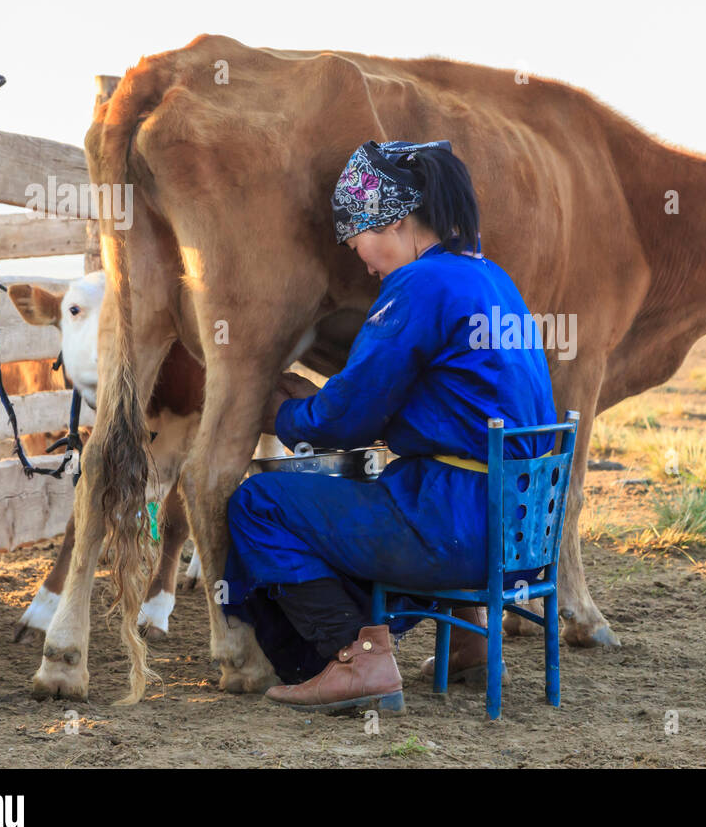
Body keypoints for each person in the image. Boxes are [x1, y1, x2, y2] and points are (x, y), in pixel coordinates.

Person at [223, 138, 557, 714]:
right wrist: (332, 405)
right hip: (521, 530)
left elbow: (347, 415)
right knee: (409, 477)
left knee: (260, 505)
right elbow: (451, 402)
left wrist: (283, 413)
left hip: (454, 525)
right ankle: (474, 638)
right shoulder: (492, 278)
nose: (365, 261)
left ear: (399, 221)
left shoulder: (420, 285)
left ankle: (357, 658)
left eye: (361, 242)